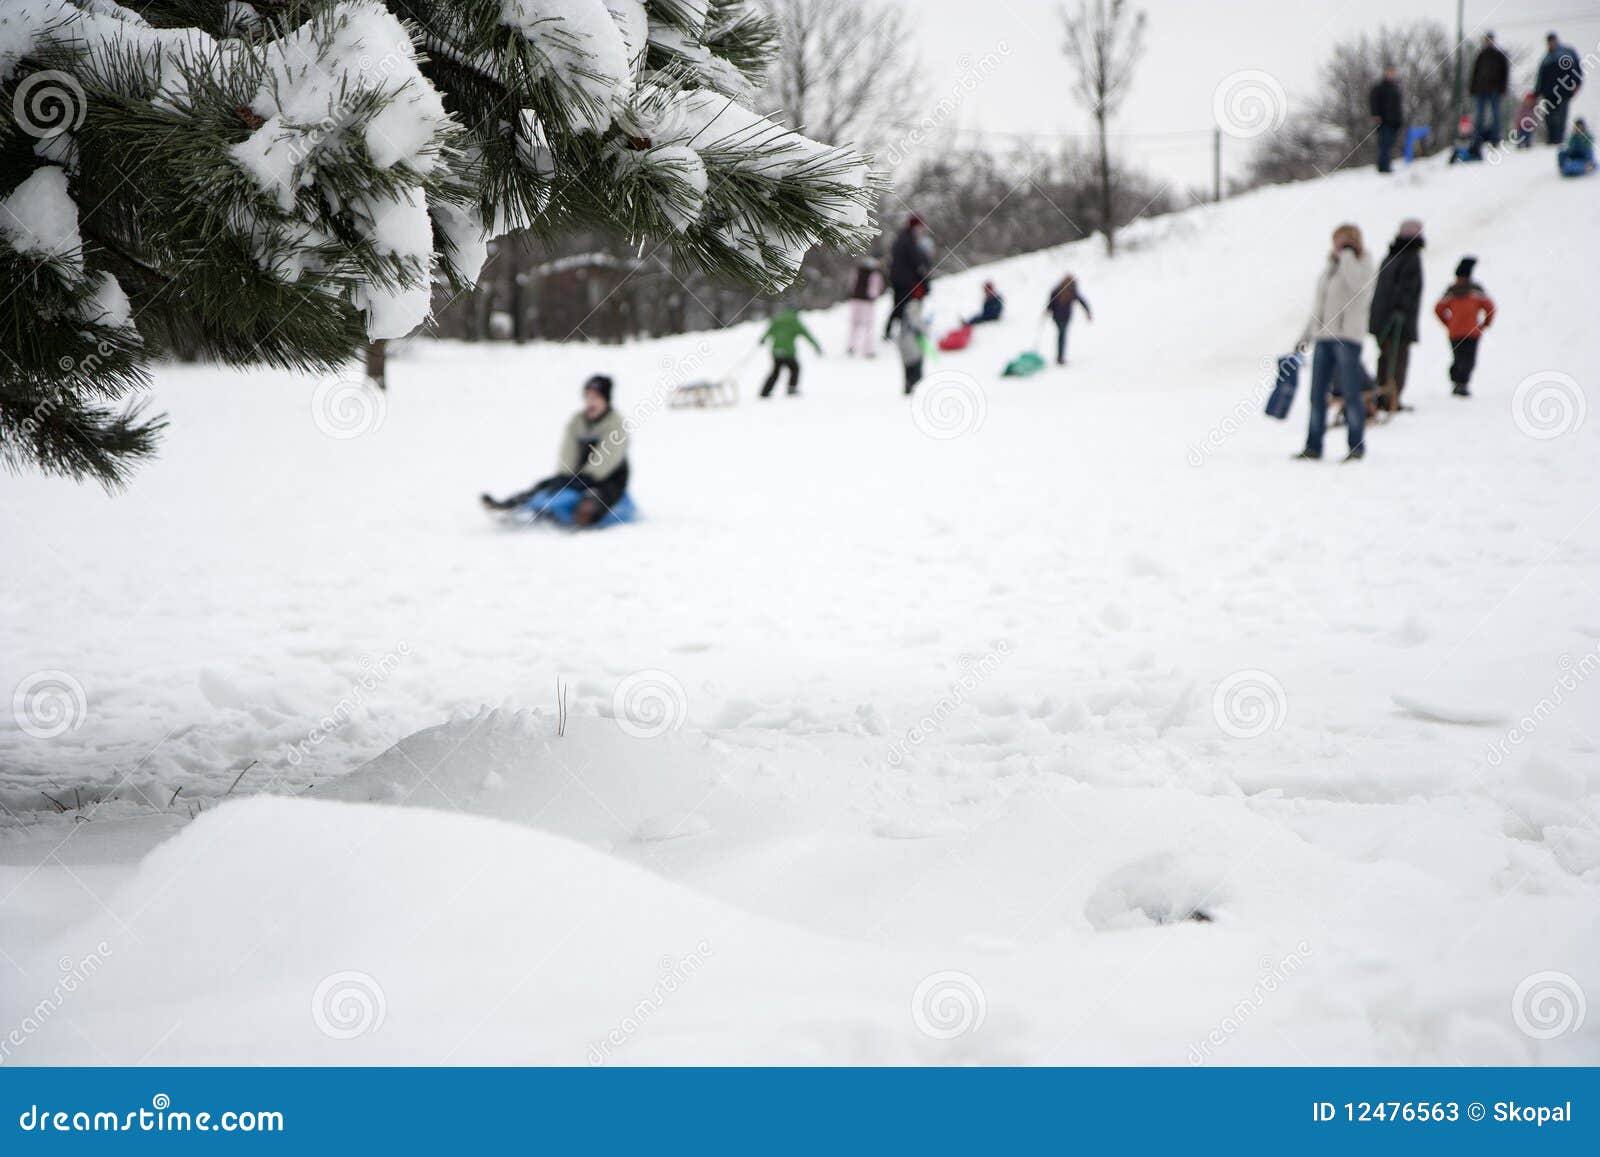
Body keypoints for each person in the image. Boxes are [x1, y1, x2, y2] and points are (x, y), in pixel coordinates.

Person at [481, 375, 628, 526]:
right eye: (587, 397)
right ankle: (509, 506)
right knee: (544, 486)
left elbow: (609, 456)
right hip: (578, 476)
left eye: (596, 397)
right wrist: (565, 475)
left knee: (591, 504)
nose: (590, 402)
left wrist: (589, 476)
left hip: (608, 479)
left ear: (606, 399)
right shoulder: (578, 421)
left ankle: (582, 520)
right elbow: (568, 450)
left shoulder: (615, 423)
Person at [1295, 224, 1374, 461]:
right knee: (1317, 396)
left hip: (1347, 338)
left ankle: (1356, 446)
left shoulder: (1362, 264)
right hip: (1324, 338)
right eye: (1336, 241)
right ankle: (1313, 446)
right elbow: (1319, 306)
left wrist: (1348, 255)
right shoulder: (1329, 268)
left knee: (1351, 393)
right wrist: (1305, 336)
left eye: (1342, 240)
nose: (1337, 245)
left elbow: (1358, 286)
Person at [1368, 218, 1424, 413]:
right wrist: (1401, 310)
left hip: (1381, 318)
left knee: (1385, 358)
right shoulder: (1411, 257)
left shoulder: (1391, 255)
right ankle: (1391, 398)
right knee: (1396, 360)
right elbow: (1408, 289)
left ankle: (1382, 396)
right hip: (1396, 320)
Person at [1433, 257, 1495, 398]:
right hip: (1471, 332)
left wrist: (1448, 323)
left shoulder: (1452, 290)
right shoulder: (1475, 290)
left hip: (1455, 332)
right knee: (1468, 360)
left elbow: (1438, 308)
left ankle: (1458, 381)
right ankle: (1461, 384)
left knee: (1460, 358)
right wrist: (1485, 324)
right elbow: (1490, 307)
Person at [884, 212, 934, 338]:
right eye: (920, 227)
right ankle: (900, 331)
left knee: (899, 306)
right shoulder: (908, 240)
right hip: (904, 281)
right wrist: (926, 262)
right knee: (903, 306)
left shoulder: (903, 237)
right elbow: (916, 259)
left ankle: (892, 331)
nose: (921, 230)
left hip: (899, 279)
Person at [758, 306, 821, 397]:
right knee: (795, 369)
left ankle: (765, 392)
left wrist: (762, 340)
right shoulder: (794, 321)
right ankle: (792, 388)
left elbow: (769, 330)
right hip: (788, 351)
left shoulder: (778, 319)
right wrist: (816, 346)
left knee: (775, 372)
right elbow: (807, 334)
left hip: (776, 351)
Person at [1536, 32, 1584, 145]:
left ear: (1556, 41)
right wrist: (1538, 91)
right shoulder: (1546, 58)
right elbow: (1541, 76)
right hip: (1548, 93)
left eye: (1552, 42)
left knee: (1561, 115)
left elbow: (1577, 70)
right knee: (1549, 116)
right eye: (1548, 42)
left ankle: (1559, 139)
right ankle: (1552, 138)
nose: (1550, 44)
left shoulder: (1567, 53)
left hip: (1564, 90)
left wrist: (1577, 84)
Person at [1468, 32, 1510, 147]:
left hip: (1495, 89)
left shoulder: (1499, 55)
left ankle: (1495, 138)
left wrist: (1503, 88)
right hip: (1481, 89)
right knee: (1479, 115)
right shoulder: (1481, 55)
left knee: (1495, 115)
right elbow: (1475, 72)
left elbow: (1505, 73)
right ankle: (1477, 139)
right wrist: (1472, 88)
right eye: (1486, 40)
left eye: (1489, 40)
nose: (1488, 43)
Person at [1044, 274, 1092, 365]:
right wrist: (1088, 313)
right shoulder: (1067, 290)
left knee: (1061, 335)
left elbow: (1050, 303)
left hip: (1058, 317)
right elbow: (1082, 301)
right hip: (1064, 317)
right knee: (1062, 335)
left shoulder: (1060, 290)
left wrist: (1047, 311)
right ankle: (1060, 357)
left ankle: (1060, 356)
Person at [846, 257, 884, 356]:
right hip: (867, 303)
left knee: (855, 324)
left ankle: (851, 346)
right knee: (869, 326)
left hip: (855, 300)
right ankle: (868, 350)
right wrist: (873, 298)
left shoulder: (857, 271)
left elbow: (851, 285)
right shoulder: (875, 274)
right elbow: (874, 290)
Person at [1370, 65, 1404, 173]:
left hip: (1394, 122)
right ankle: (1383, 167)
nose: (1392, 75)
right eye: (1390, 72)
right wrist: (1376, 115)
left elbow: (1398, 106)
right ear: (1386, 73)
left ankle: (1385, 165)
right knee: (1384, 144)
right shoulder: (1380, 87)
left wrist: (1399, 120)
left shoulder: (1395, 88)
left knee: (1389, 144)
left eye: (1393, 73)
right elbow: (1373, 102)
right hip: (1384, 121)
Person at [892, 296, 928, 395]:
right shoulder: (913, 307)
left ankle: (908, 387)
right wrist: (926, 332)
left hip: (903, 343)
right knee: (916, 367)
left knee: (907, 368)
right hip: (911, 344)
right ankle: (914, 387)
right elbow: (918, 324)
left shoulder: (905, 308)